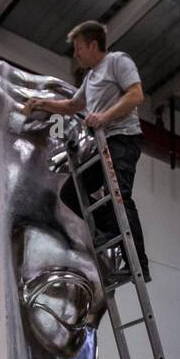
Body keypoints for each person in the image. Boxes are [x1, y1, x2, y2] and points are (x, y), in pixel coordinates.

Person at [22, 20, 150, 283]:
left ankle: (138, 264)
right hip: (104, 144)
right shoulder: (91, 77)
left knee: (120, 197)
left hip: (123, 140)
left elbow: (136, 95)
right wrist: (40, 103)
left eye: (78, 48)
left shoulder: (117, 62)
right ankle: (106, 231)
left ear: (93, 45)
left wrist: (104, 116)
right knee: (73, 191)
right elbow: (71, 105)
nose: (75, 54)